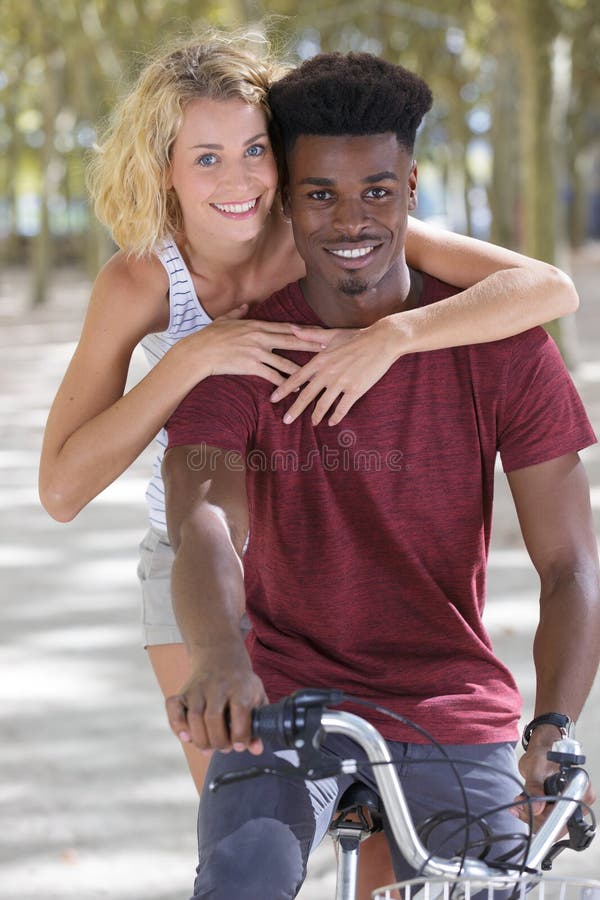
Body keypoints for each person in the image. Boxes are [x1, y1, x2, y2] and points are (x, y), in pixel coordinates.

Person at [38, 28, 580, 893]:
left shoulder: (335, 228)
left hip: (368, 589)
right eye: (206, 157)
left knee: (412, 857)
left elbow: (549, 288)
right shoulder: (149, 285)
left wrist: (397, 337)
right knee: (250, 838)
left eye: (254, 150)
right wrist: (191, 359)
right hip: (206, 561)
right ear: (165, 168)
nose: (239, 178)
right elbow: (78, 493)